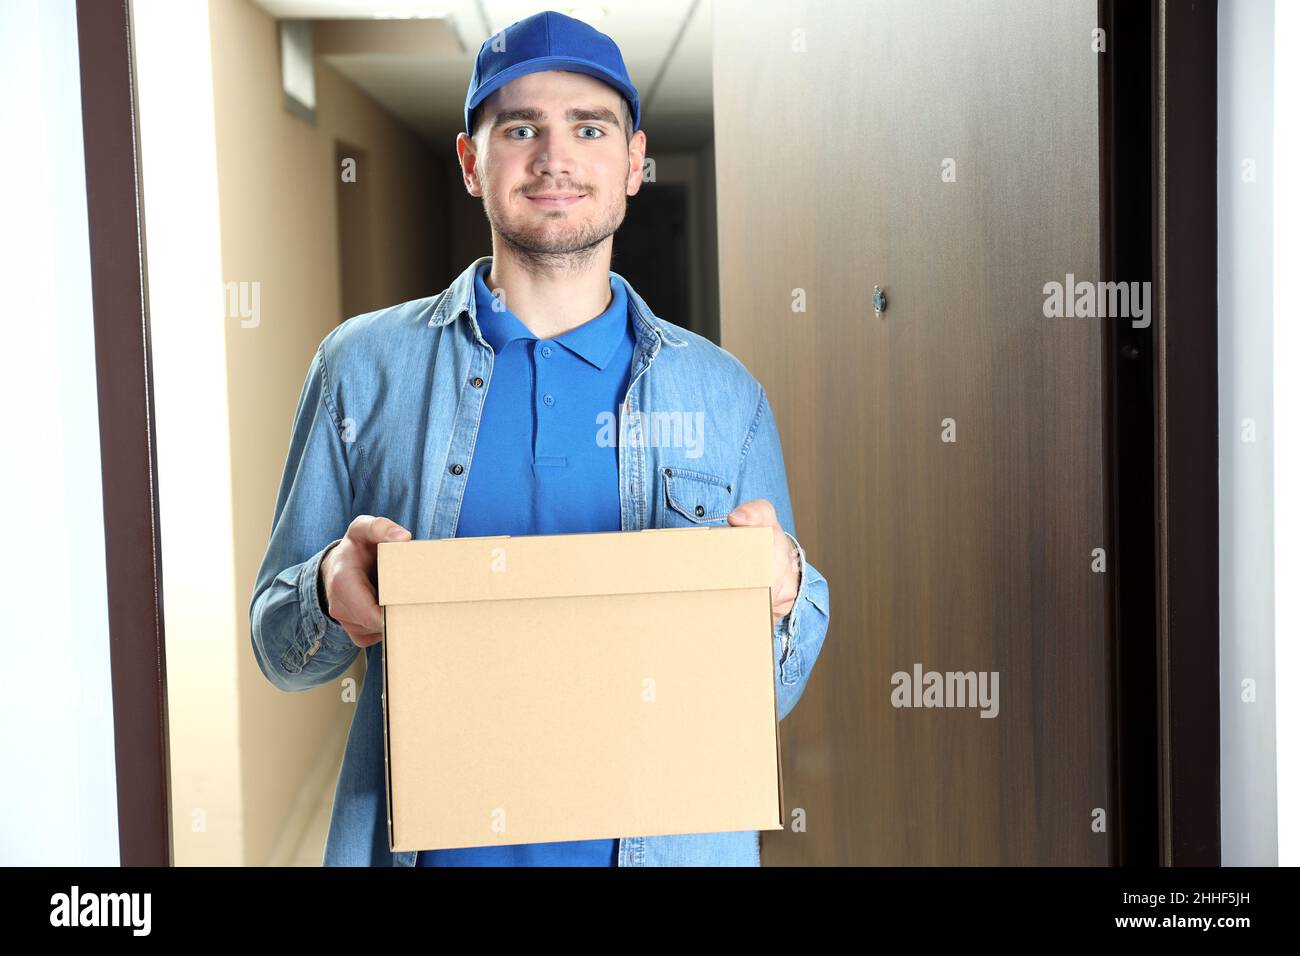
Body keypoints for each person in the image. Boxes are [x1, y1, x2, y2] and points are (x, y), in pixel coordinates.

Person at [249, 9, 830, 867]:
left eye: (588, 129)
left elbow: (767, 697)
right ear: (470, 163)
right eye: (520, 127)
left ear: (633, 162)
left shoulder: (722, 395)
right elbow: (279, 649)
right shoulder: (360, 371)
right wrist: (329, 586)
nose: (554, 158)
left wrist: (783, 600)